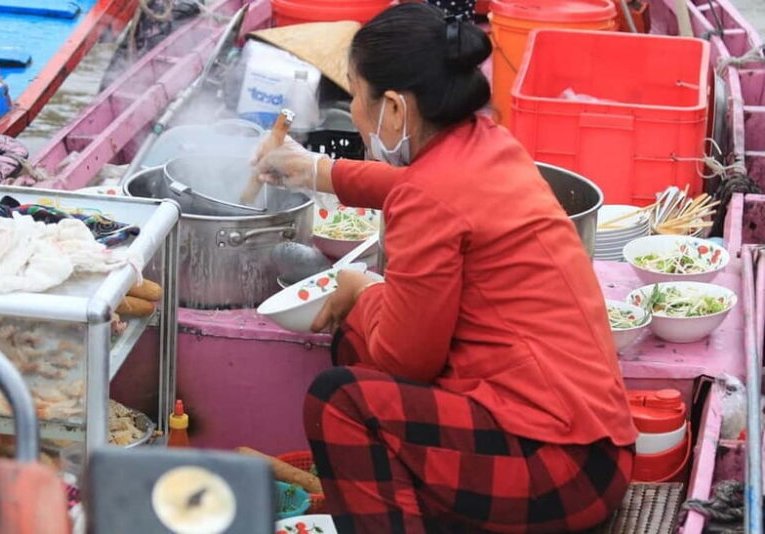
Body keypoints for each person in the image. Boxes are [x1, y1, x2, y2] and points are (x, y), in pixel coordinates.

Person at [254, 4, 637, 532]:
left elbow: (405, 361)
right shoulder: (492, 145)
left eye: (357, 97)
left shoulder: (429, 198)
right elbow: (420, 188)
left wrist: (362, 291)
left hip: (555, 470)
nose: (355, 114)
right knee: (356, 347)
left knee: (339, 400)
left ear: (393, 107)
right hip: (597, 449)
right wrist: (316, 171)